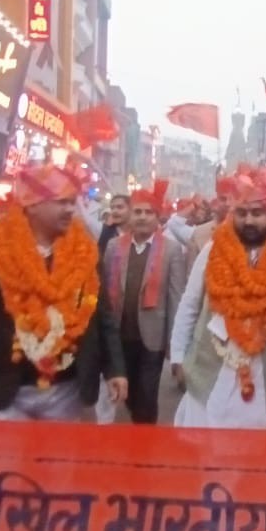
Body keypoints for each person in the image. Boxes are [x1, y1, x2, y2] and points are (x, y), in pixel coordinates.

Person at [0, 165, 127, 422]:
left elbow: (101, 314)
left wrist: (115, 369)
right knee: (3, 463)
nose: (70, 210)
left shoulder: (84, 253)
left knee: (60, 463)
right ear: (33, 205)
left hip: (67, 390)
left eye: (72, 202)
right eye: (61, 202)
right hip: (5, 389)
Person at [170, 164, 266, 429]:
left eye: (257, 213)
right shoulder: (212, 250)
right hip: (212, 370)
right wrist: (177, 356)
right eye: (242, 213)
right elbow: (189, 305)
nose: (249, 221)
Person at [104, 179, 187, 424]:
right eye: (137, 212)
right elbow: (106, 293)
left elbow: (176, 297)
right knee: (128, 393)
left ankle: (145, 441)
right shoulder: (113, 247)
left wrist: (176, 345)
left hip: (152, 337)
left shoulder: (171, 250)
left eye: (148, 212)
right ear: (130, 215)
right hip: (120, 335)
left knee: (147, 395)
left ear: (157, 217)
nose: (142, 217)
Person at [185, 176, 235, 272]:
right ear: (217, 200)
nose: (228, 204)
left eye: (233, 198)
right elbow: (191, 277)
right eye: (223, 199)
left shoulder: (249, 234)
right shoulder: (199, 233)